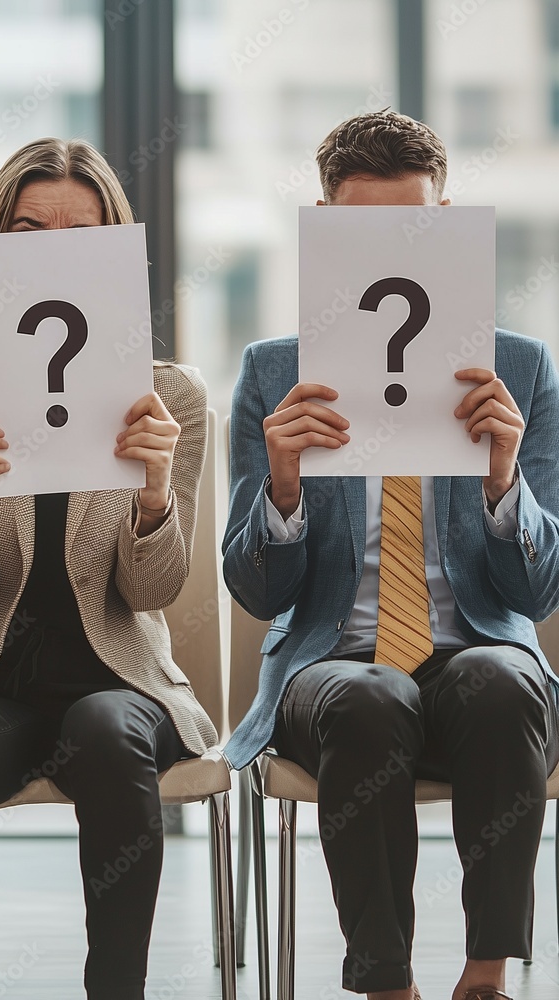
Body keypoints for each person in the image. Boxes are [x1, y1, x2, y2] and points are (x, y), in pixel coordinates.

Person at [223, 109, 559, 1000]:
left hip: (474, 654)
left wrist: (501, 482)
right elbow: (256, 592)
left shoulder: (520, 370)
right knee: (373, 695)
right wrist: (284, 488)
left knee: (502, 678)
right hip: (333, 665)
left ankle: (486, 974)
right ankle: (387, 985)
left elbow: (541, 587)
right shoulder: (272, 372)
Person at [0, 137, 217, 1000]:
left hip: (117, 679)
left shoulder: (168, 398)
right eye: (28, 230)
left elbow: (152, 592)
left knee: (107, 732)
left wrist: (152, 490)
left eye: (79, 233)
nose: (51, 254)